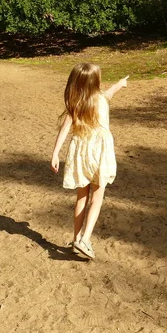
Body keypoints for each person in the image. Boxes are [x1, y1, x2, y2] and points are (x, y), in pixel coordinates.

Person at [50, 63, 128, 259]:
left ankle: (77, 239)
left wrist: (55, 153)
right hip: (99, 152)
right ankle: (85, 239)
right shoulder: (100, 99)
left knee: (82, 197)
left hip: (80, 153)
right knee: (97, 197)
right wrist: (120, 84)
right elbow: (107, 95)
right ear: (95, 81)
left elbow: (65, 128)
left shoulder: (76, 102)